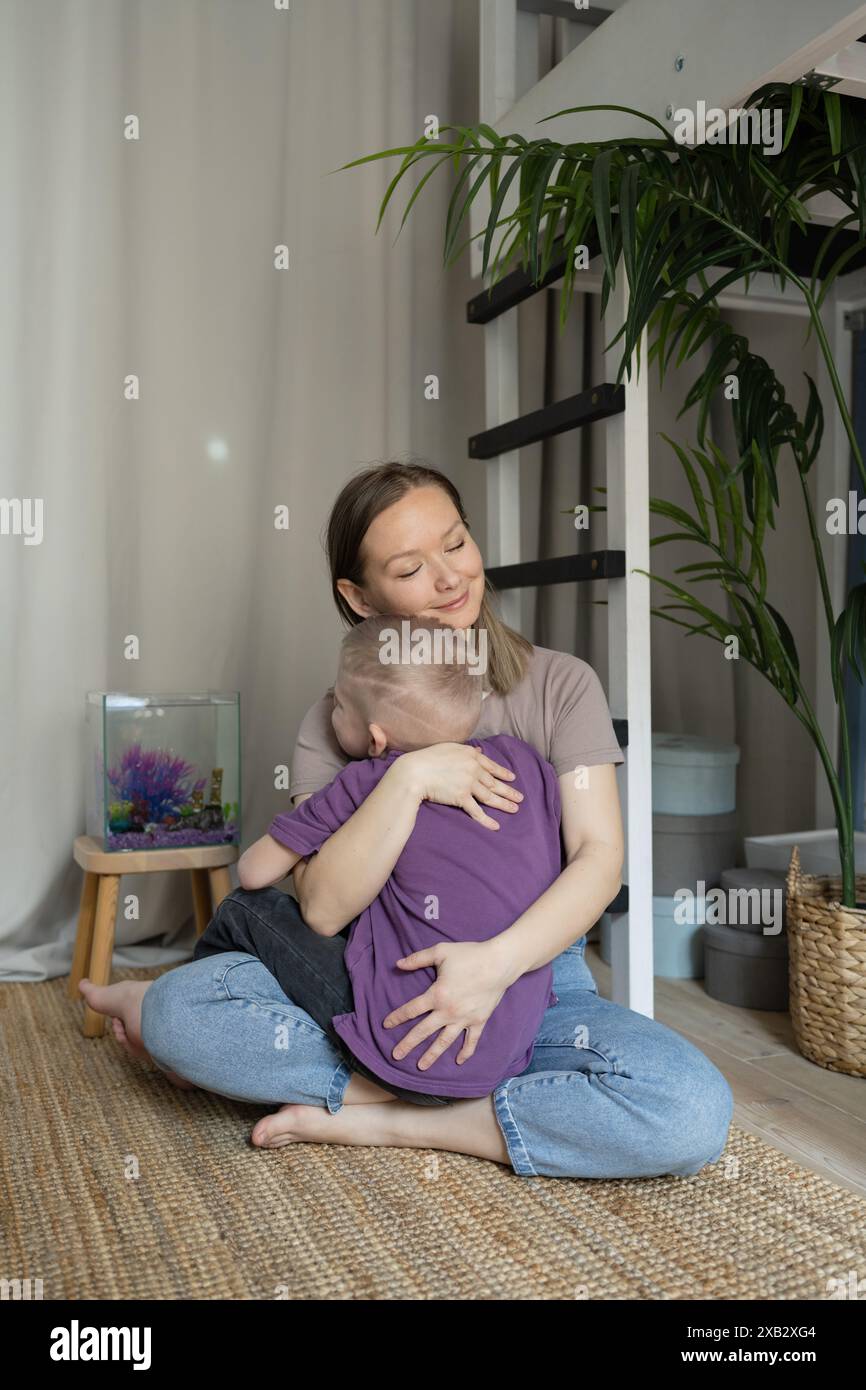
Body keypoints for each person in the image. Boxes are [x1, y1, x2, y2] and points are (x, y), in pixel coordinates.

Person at [80, 460, 734, 1179]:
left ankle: (389, 1119)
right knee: (181, 1011)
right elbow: (323, 907)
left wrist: (495, 965)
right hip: (369, 986)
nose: (450, 579)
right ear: (359, 596)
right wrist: (413, 776)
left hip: (537, 982)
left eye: (455, 544)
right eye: (410, 567)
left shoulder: (558, 685)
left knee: (691, 1109)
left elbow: (598, 857)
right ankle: (468, 1101)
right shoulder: (340, 724)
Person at [193, 612, 566, 1107]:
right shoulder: (527, 766)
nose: (330, 714)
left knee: (246, 905)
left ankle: (212, 1013)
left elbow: (256, 870)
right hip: (507, 1050)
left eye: (339, 705)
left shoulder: (366, 779)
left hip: (403, 1049)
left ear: (375, 738)